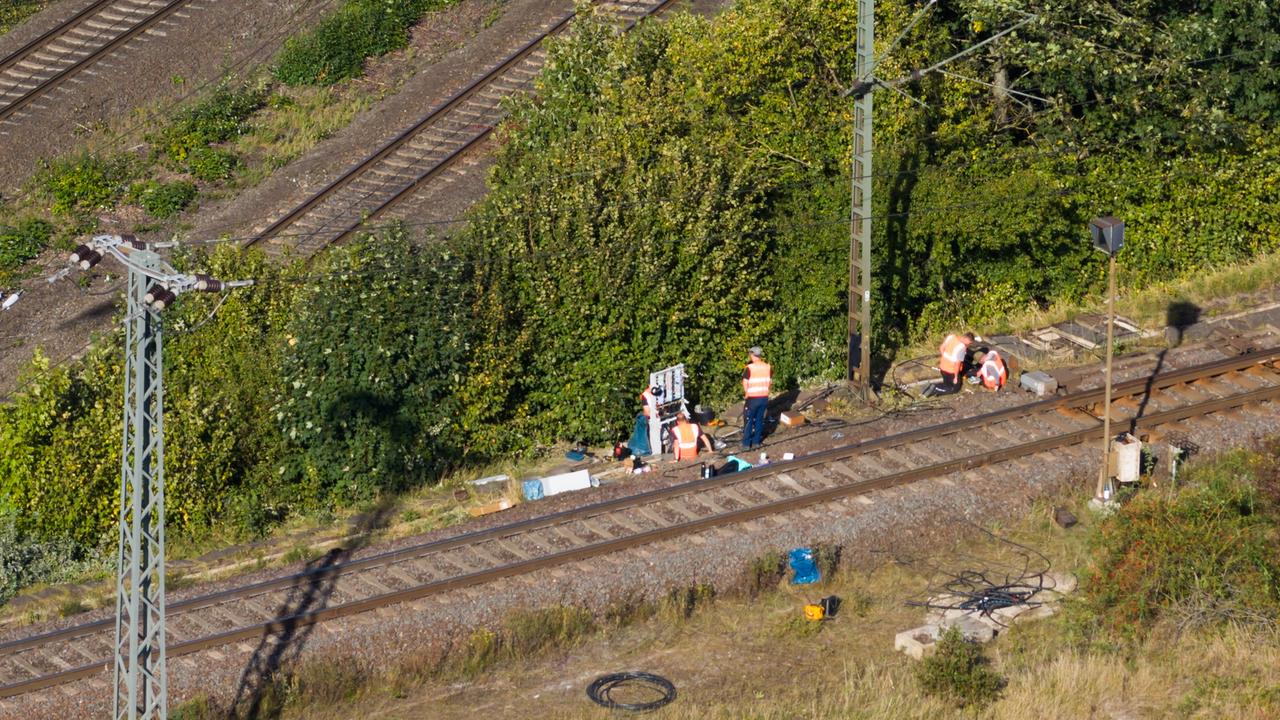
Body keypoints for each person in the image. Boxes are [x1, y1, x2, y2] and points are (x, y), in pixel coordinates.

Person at [741, 346, 772, 450]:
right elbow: (770, 381)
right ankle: (756, 442)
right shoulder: (767, 367)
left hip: (752, 398)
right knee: (759, 420)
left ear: (753, 355)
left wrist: (746, 393)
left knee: (748, 420)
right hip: (764, 397)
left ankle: (746, 444)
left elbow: (745, 382)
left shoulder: (750, 368)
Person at [926, 332, 974, 397]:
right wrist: (956, 377)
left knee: (947, 384)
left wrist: (946, 359)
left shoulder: (951, 337)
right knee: (954, 389)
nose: (969, 344)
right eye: (969, 343)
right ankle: (935, 388)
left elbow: (941, 348)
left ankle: (936, 390)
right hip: (951, 371)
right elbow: (957, 364)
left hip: (942, 367)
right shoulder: (962, 347)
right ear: (967, 339)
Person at [628, 385, 662, 456]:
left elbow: (647, 411)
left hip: (656, 417)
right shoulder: (646, 395)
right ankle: (651, 451)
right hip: (653, 417)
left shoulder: (654, 393)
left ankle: (652, 451)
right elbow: (647, 412)